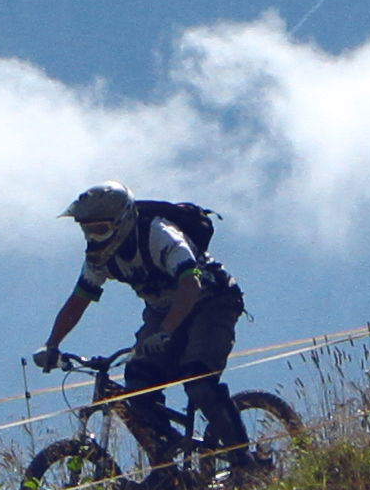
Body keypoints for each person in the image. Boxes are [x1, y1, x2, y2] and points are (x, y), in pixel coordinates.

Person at [34, 181, 246, 459]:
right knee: (138, 384)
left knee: (199, 380)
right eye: (87, 230)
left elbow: (191, 283)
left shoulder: (159, 235)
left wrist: (168, 331)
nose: (93, 239)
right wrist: (52, 345)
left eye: (100, 230)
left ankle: (246, 464)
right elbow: (78, 301)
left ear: (122, 222)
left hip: (212, 301)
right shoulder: (99, 259)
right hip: (163, 312)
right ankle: (167, 465)